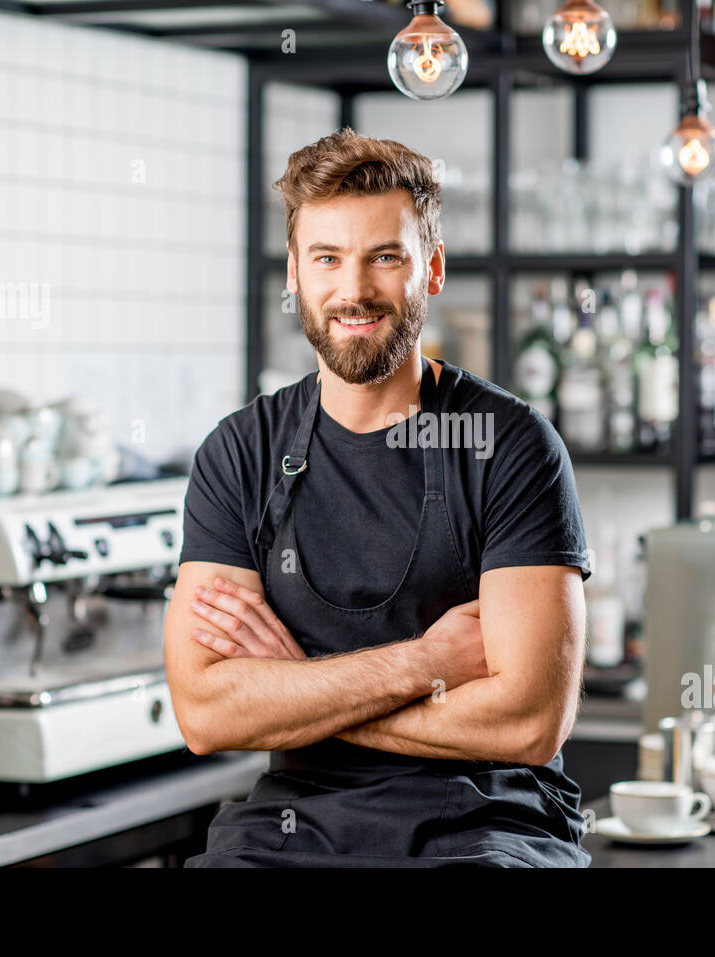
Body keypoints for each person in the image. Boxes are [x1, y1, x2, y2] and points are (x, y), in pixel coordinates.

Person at [166, 127, 593, 867]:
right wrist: (422, 664)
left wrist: (296, 687)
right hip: (291, 829)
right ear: (294, 274)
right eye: (326, 258)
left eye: (384, 257)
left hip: (487, 821)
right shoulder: (239, 454)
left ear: (431, 270)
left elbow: (529, 719)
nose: (353, 289)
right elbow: (205, 713)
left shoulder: (513, 447)